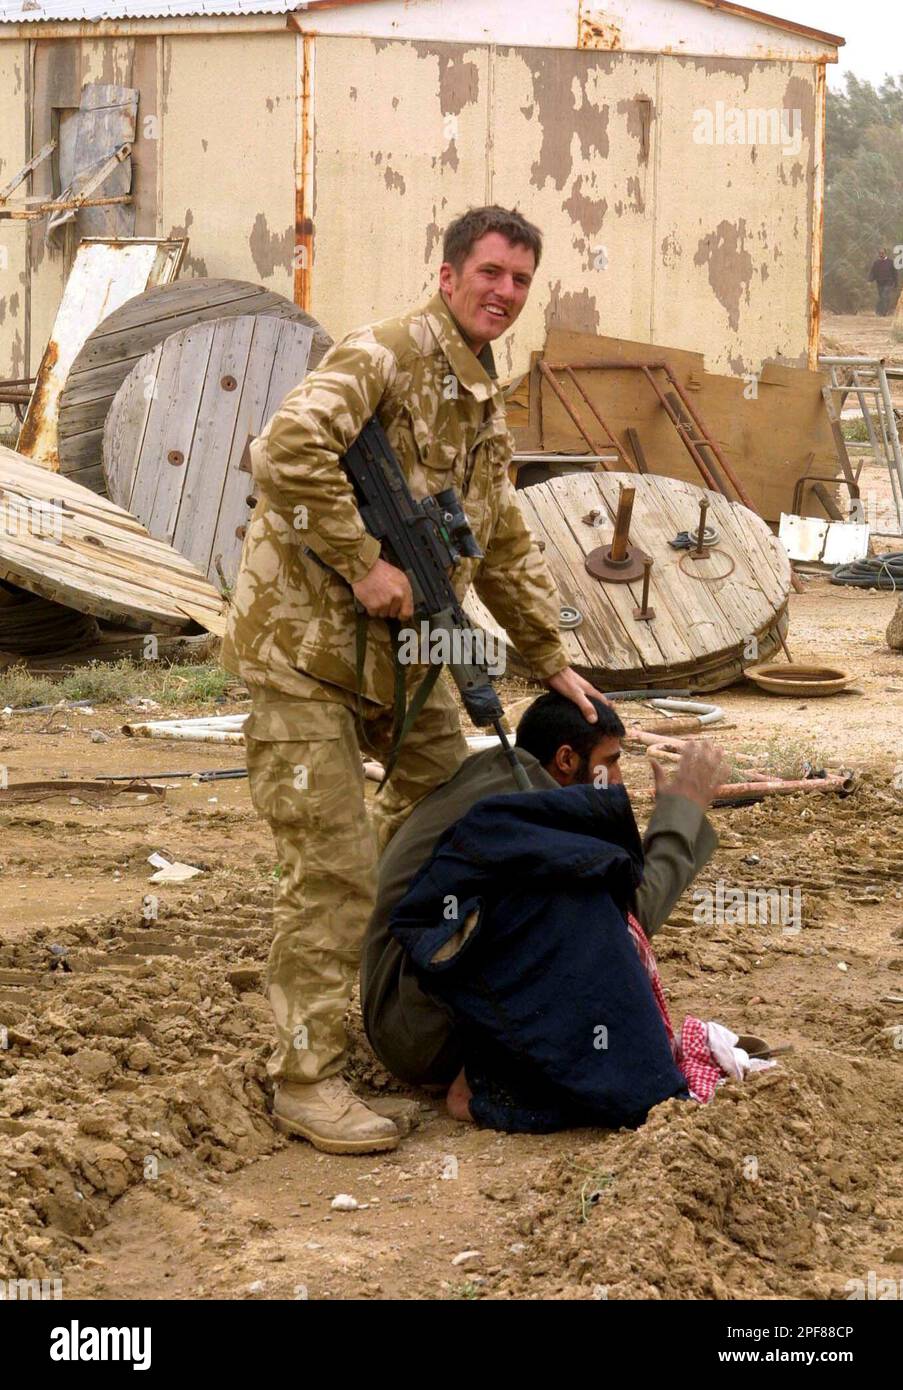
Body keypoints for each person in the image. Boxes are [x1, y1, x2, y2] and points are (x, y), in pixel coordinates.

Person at [221, 207, 609, 1154]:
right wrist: (359, 560)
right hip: (303, 655)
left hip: (406, 662)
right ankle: (304, 1081)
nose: (502, 293)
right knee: (333, 869)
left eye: (519, 280)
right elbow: (284, 451)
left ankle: (414, 1000)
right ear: (447, 276)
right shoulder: (385, 355)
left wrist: (549, 656)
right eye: (487, 272)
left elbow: (504, 538)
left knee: (468, 809)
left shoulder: (482, 397)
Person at [361, 693, 727, 1126]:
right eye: (609, 762)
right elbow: (626, 912)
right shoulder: (527, 804)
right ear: (566, 759)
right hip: (418, 1030)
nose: (618, 777)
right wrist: (682, 813)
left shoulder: (503, 776)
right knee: (581, 914)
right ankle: (488, 1082)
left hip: (407, 1008)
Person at [868, 248, 898, 317]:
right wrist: (870, 280)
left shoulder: (890, 262)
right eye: (880, 253)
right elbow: (873, 272)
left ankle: (883, 312)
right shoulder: (876, 263)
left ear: (885, 253)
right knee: (881, 297)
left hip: (888, 282)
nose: (881, 254)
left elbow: (895, 273)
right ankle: (880, 311)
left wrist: (896, 283)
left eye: (882, 253)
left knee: (884, 295)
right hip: (880, 283)